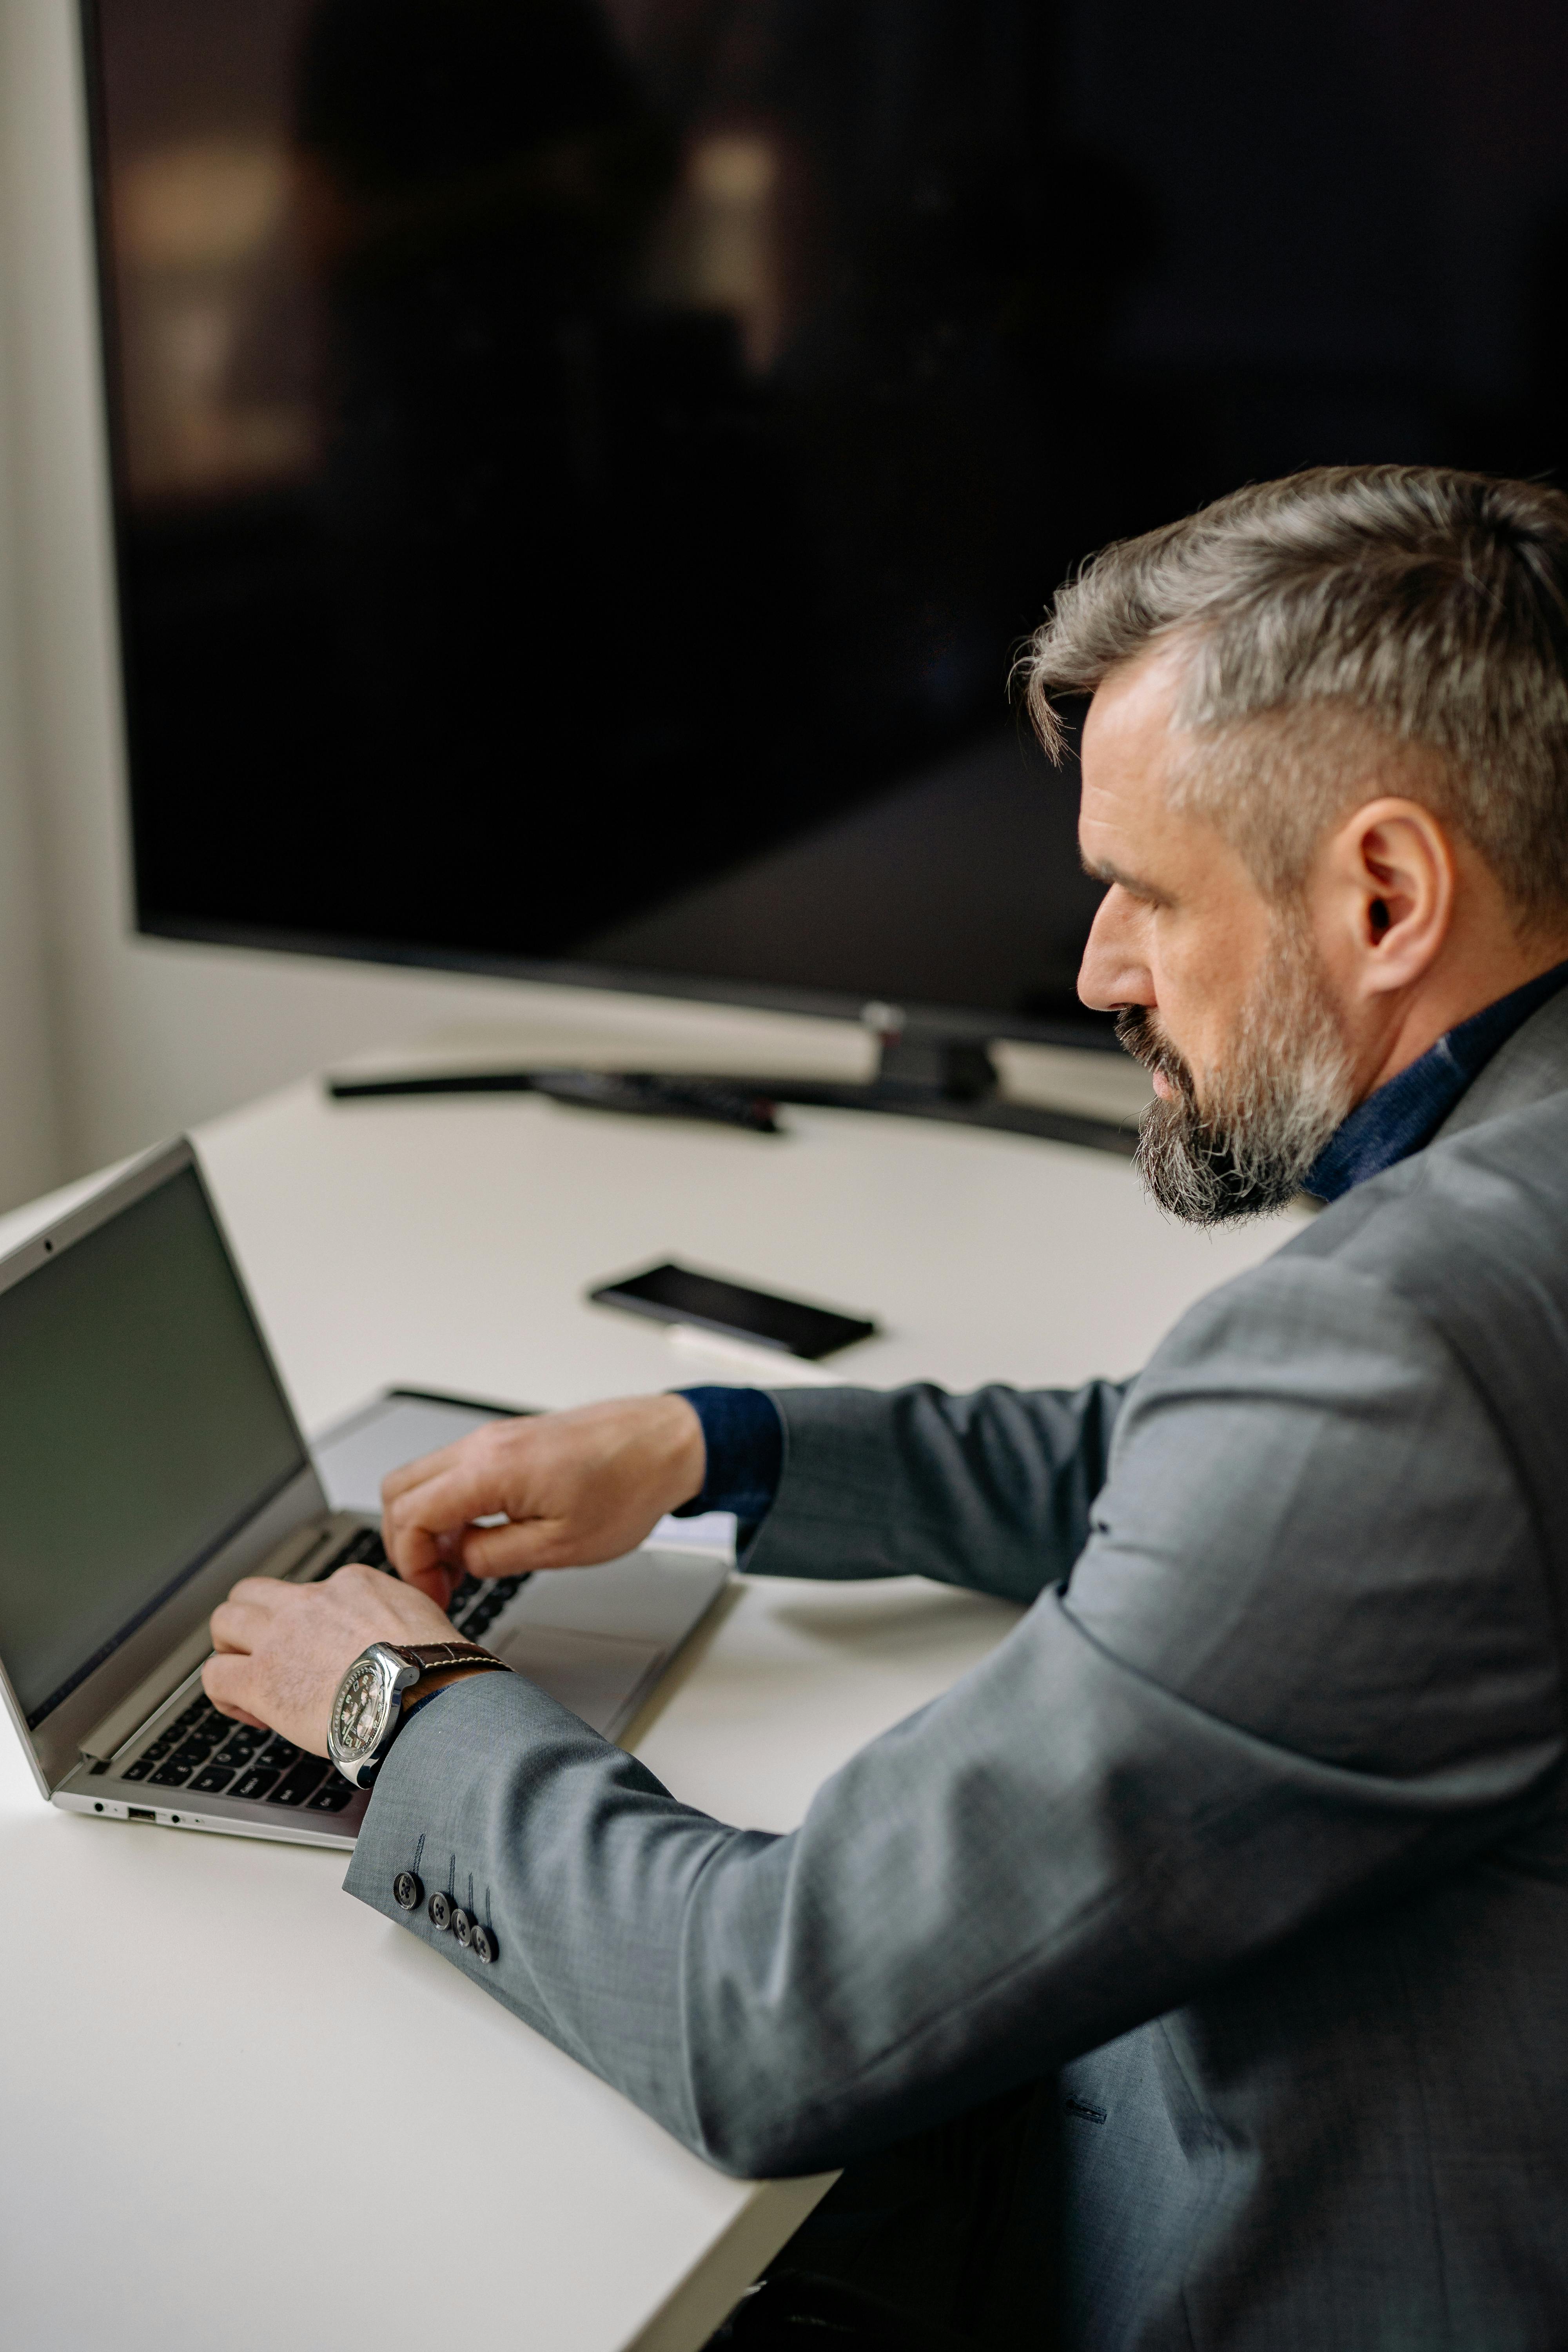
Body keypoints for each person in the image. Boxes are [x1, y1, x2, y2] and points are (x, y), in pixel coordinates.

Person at [204, 466, 1568, 2351]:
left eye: (1141, 893)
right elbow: (1189, 1462)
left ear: (1388, 893)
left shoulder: (1412, 1347)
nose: (1097, 969)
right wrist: (719, 1446)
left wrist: (398, 1701)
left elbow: (773, 2014)